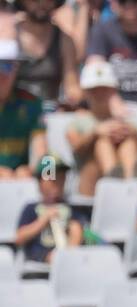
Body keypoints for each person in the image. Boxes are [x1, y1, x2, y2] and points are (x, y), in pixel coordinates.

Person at [66, 60, 137, 194]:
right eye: (94, 90)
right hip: (89, 182)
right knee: (102, 143)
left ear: (112, 90)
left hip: (121, 176)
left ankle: (130, 183)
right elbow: (76, 148)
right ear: (86, 92)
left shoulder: (122, 121)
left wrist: (132, 132)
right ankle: (114, 179)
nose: (100, 94)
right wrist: (95, 133)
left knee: (129, 142)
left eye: (104, 89)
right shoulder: (78, 121)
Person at [14, 154, 85, 264]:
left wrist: (74, 231)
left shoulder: (70, 208)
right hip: (40, 257)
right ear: (39, 182)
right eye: (51, 178)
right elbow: (19, 238)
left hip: (65, 254)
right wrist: (43, 220)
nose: (57, 183)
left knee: (76, 228)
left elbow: (79, 230)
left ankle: (66, 261)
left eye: (61, 177)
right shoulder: (31, 209)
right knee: (53, 256)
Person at [15, 0, 82, 111]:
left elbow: (72, 84)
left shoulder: (65, 40)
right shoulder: (10, 36)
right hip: (13, 111)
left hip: (49, 111)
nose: (41, 3)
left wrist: (74, 99)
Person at [0, 38, 46, 178]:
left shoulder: (31, 103)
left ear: (17, 69)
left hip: (19, 180)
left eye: (7, 66)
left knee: (51, 167)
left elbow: (44, 152)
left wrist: (37, 173)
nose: (2, 73)